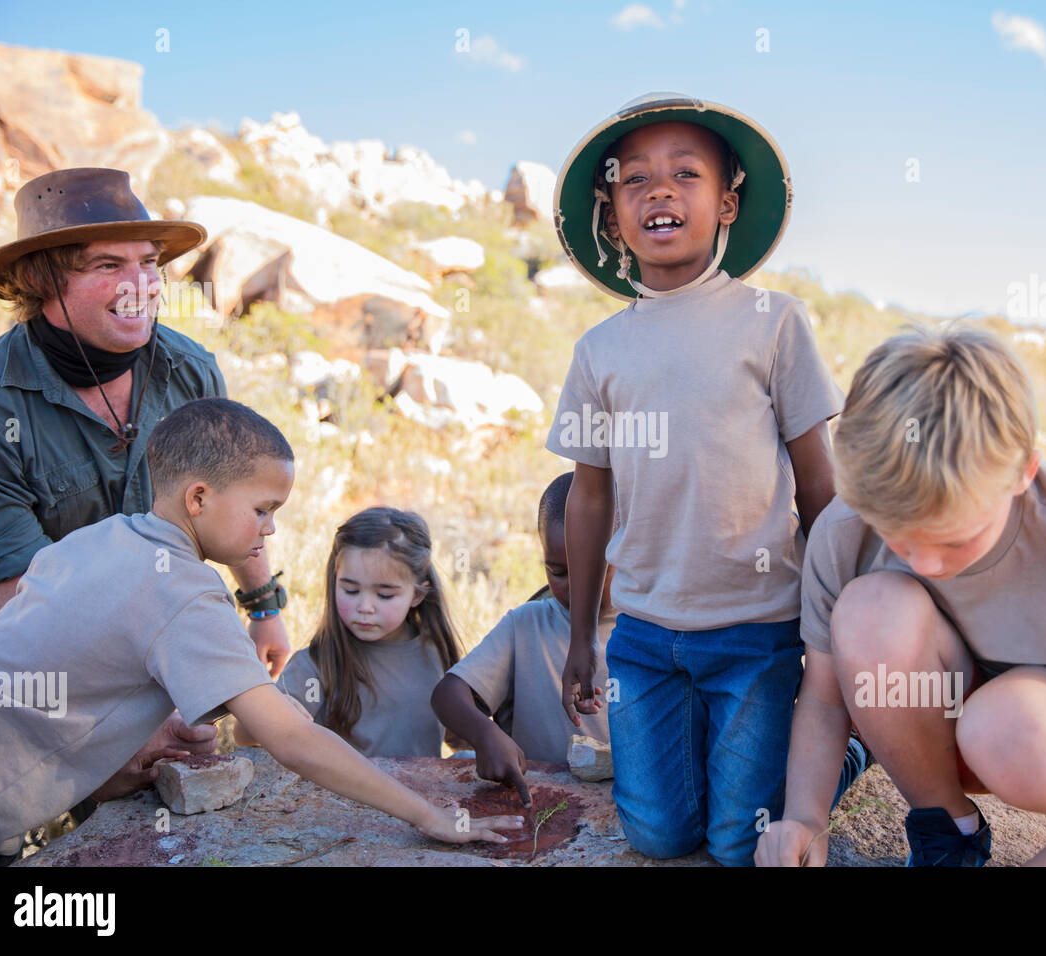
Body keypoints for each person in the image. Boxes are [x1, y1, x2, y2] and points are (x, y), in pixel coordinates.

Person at [0, 398, 521, 865]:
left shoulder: (102, 538)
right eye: (262, 508)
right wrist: (429, 814)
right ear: (199, 498)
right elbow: (291, 740)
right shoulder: (183, 592)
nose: (271, 527)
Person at [546, 93, 866, 866]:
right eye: (634, 180)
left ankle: (845, 758)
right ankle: (730, 759)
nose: (659, 190)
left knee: (735, 844)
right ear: (612, 213)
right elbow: (591, 496)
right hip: (646, 634)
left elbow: (817, 482)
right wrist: (585, 635)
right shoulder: (599, 351)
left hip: (757, 628)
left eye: (685, 174)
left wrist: (843, 615)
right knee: (658, 836)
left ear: (726, 203)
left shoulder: (775, 322)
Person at [756, 325, 1046, 867]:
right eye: (899, 535)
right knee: (869, 611)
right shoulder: (844, 528)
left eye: (954, 539)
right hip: (938, 710)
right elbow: (823, 696)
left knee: (1010, 731)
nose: (926, 564)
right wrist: (805, 819)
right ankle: (949, 835)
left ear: (1022, 474)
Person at [0, 168, 292, 803]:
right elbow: (14, 612)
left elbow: (234, 498)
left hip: (145, 656)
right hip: (18, 690)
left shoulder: (191, 372)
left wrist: (265, 608)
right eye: (107, 265)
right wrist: (123, 733)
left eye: (149, 263)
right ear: (41, 280)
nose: (140, 285)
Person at [431, 472, 617, 805]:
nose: (575, 587)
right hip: (538, 806)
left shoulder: (657, 632)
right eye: (558, 572)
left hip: (626, 811)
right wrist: (485, 733)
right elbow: (448, 694)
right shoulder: (526, 625)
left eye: (594, 570)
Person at [248, 507, 461, 757]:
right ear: (335, 581)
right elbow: (247, 735)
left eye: (384, 595)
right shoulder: (316, 667)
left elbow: (460, 740)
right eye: (350, 590)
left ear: (417, 595)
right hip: (340, 796)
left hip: (423, 795)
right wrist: (276, 713)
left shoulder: (437, 655)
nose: (365, 608)